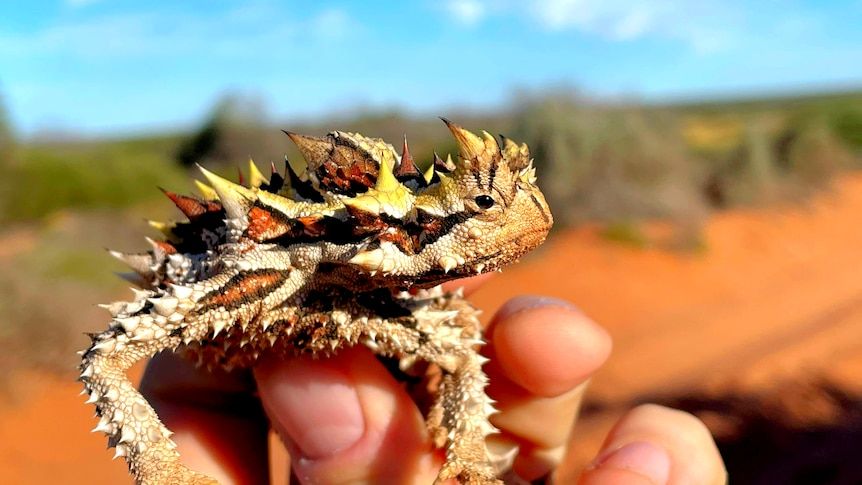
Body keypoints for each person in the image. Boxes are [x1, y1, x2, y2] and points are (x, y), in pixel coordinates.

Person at [141, 277, 727, 485]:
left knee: (465, 330)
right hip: (230, 316)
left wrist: (467, 454)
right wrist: (158, 465)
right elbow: (103, 360)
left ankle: (468, 456)